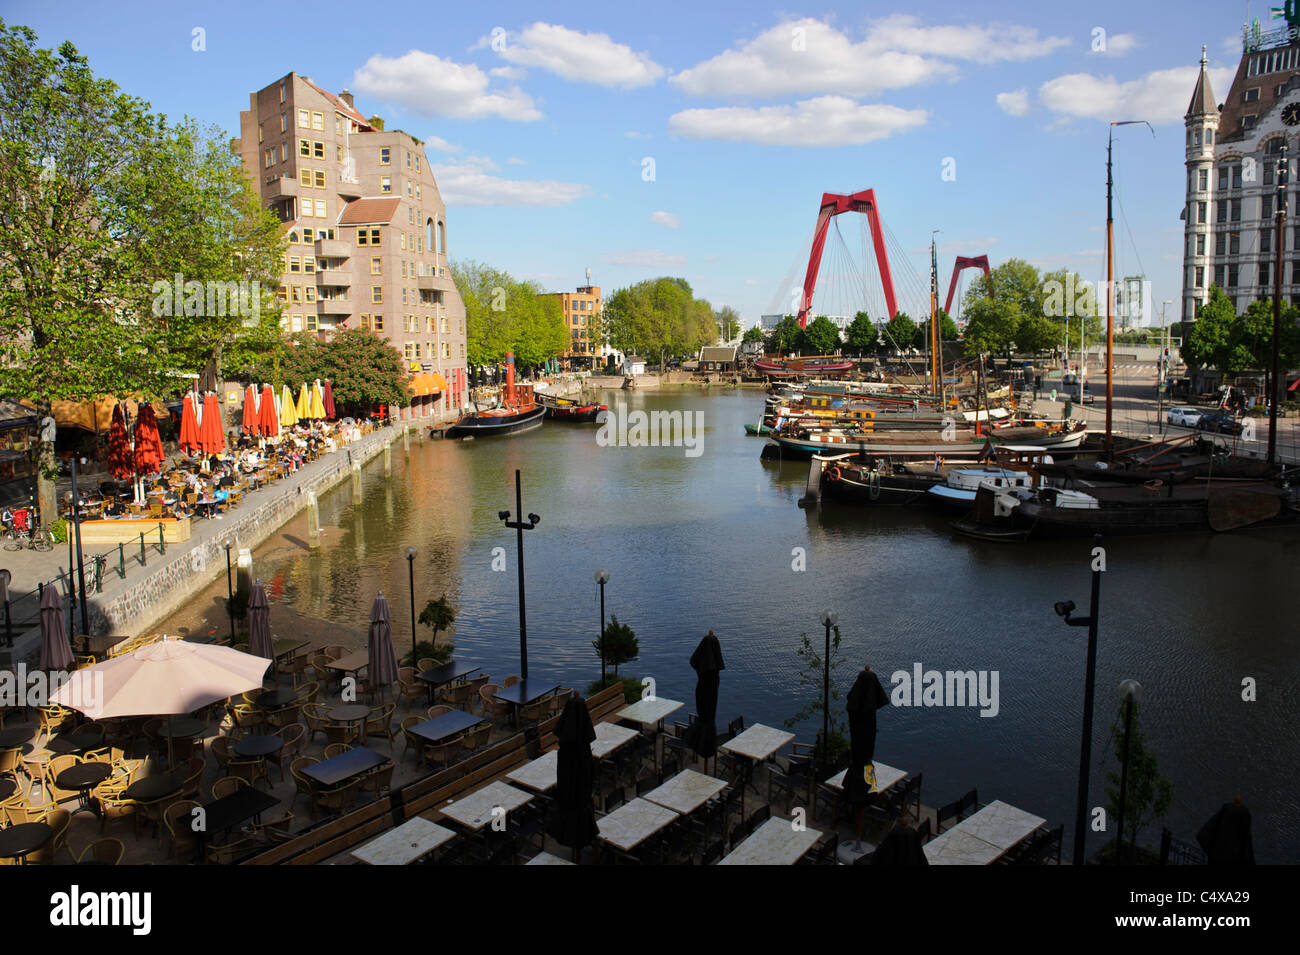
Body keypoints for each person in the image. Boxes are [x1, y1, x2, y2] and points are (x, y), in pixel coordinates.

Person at [844, 665, 889, 849]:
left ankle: (858, 834)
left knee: (860, 787)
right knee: (865, 787)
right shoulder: (868, 717)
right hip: (866, 762)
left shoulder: (857, 714)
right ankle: (861, 830)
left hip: (861, 761)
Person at [1196, 796, 1255, 865]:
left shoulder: (1225, 812)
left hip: (1217, 854)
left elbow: (1203, 835)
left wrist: (1212, 850)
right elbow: (1246, 844)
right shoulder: (1244, 815)